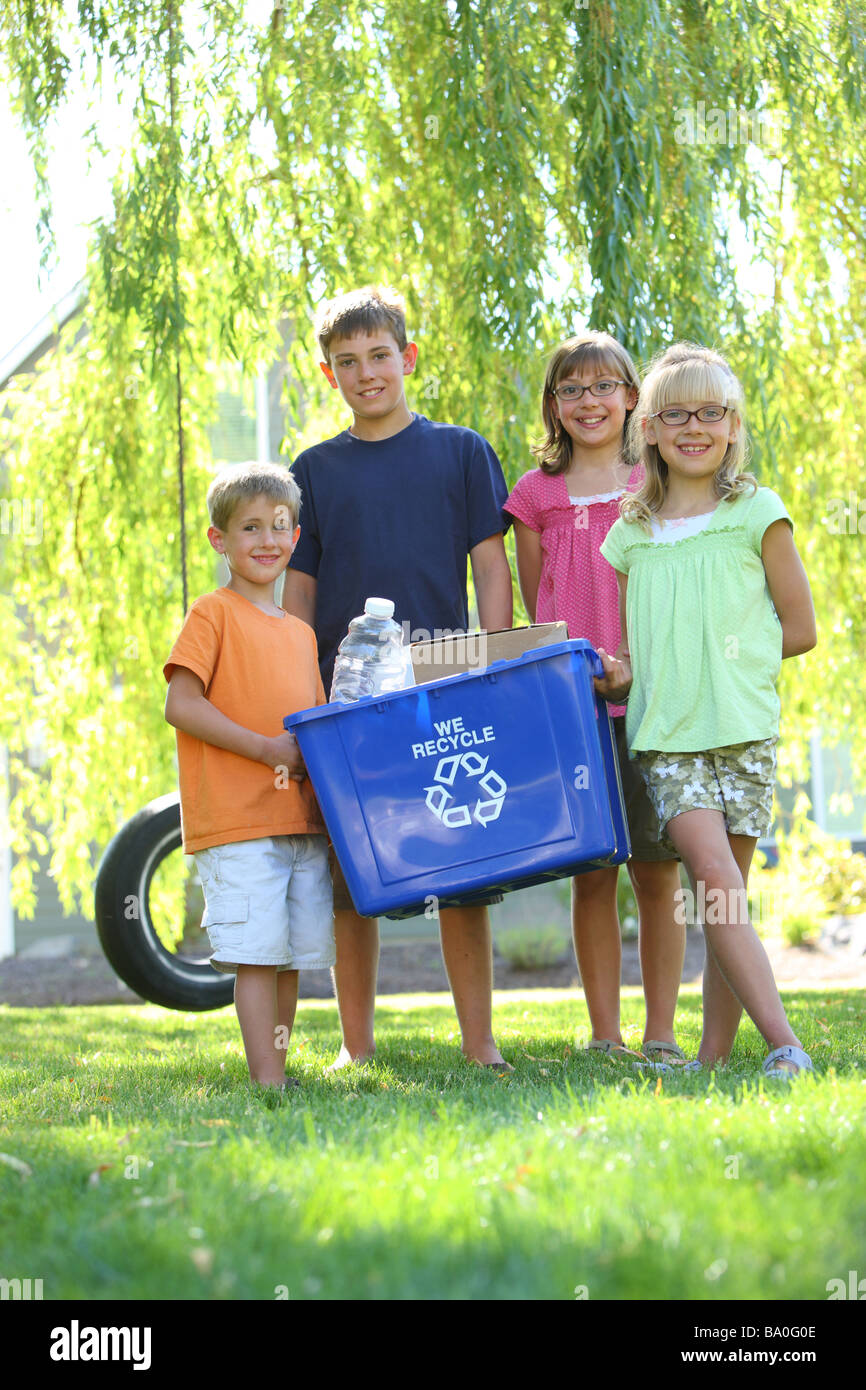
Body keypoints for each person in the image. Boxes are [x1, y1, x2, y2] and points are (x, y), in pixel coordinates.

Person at [282, 285, 514, 1071]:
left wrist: (494, 656)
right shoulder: (311, 471)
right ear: (328, 374)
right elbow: (301, 589)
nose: (366, 373)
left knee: (462, 864)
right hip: (347, 691)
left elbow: (490, 561)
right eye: (347, 363)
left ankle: (479, 1043)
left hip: (443, 675)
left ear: (407, 359)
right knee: (356, 868)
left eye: (380, 356)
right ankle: (356, 1045)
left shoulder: (461, 451)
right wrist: (303, 680)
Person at [600, 342, 817, 1077]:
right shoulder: (630, 533)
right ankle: (786, 1043)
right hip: (668, 739)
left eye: (711, 412)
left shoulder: (758, 512)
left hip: (745, 730)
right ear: (650, 429)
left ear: (732, 426)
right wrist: (621, 677)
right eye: (675, 413)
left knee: (727, 899)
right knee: (716, 881)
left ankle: (711, 1058)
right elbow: (639, 651)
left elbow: (800, 628)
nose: (695, 426)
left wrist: (726, 664)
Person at [505, 332, 689, 1068]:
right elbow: (535, 600)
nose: (589, 401)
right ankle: (605, 1034)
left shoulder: (658, 479)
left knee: (657, 868)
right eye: (572, 389)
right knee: (593, 871)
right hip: (575, 709)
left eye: (604, 386)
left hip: (654, 699)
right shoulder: (535, 494)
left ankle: (663, 1032)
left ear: (630, 398)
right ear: (554, 405)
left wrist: (637, 664)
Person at [164, 462, 334, 1093]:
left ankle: (279, 1072)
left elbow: (312, 736)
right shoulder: (213, 613)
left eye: (279, 527)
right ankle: (267, 1081)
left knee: (290, 956)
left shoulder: (300, 634)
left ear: (295, 537)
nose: (267, 540)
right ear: (220, 540)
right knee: (258, 957)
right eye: (250, 528)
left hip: (299, 823)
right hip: (239, 822)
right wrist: (266, 751)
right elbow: (181, 705)